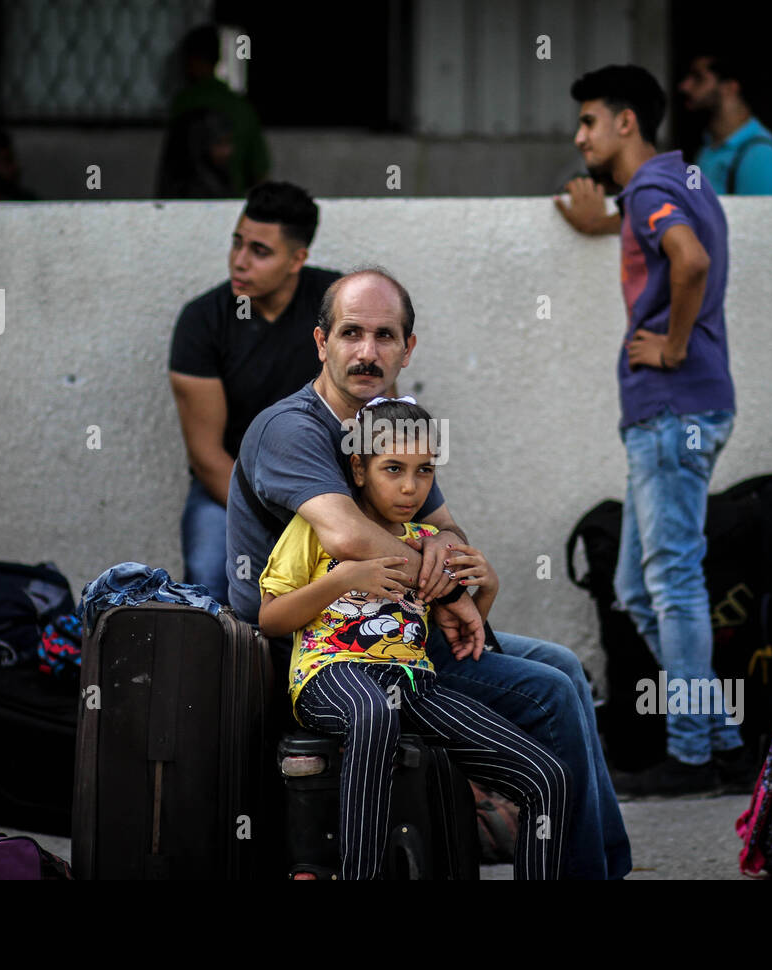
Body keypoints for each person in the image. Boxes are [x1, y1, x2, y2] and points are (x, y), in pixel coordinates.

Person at [226, 268, 632, 879]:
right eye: (351, 333)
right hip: (317, 643)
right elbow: (347, 537)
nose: (367, 353)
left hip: (398, 624)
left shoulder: (392, 428)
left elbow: (449, 533)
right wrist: (445, 596)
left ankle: (603, 866)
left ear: (408, 348)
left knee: (564, 666)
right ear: (321, 342)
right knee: (550, 694)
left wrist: (454, 572)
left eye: (385, 336)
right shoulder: (294, 428)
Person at [260, 397, 570, 879]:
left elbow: (462, 644)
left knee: (546, 777)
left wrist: (485, 588)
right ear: (359, 469)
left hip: (413, 682)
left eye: (424, 470)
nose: (410, 486)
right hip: (330, 675)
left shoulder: (429, 542)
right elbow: (271, 618)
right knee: (374, 713)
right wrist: (341, 580)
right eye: (393, 469)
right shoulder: (319, 527)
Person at [562, 64, 745, 796]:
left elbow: (687, 257)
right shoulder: (680, 182)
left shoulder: (650, 191)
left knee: (670, 582)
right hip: (683, 409)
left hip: (673, 409)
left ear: (626, 122)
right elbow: (665, 231)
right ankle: (725, 741)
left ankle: (693, 755)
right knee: (639, 585)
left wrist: (669, 344)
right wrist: (598, 222)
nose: (579, 137)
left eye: (588, 122)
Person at [168, 181, 340, 603]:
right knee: (207, 580)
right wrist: (274, 522)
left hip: (330, 487)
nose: (239, 262)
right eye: (237, 244)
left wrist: (321, 514)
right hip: (230, 489)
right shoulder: (203, 321)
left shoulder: (338, 304)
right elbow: (207, 457)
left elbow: (374, 419)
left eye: (259, 251)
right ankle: (212, 669)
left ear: (297, 259)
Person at [156, 24, 270, 198]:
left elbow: (170, 171)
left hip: (183, 207)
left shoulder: (184, 103)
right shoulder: (239, 106)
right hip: (229, 208)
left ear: (192, 61)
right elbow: (259, 172)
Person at [677, 54, 772, 195]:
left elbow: (759, 216)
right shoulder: (706, 146)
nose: (684, 87)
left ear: (730, 87)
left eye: (698, 78)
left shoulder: (759, 152)